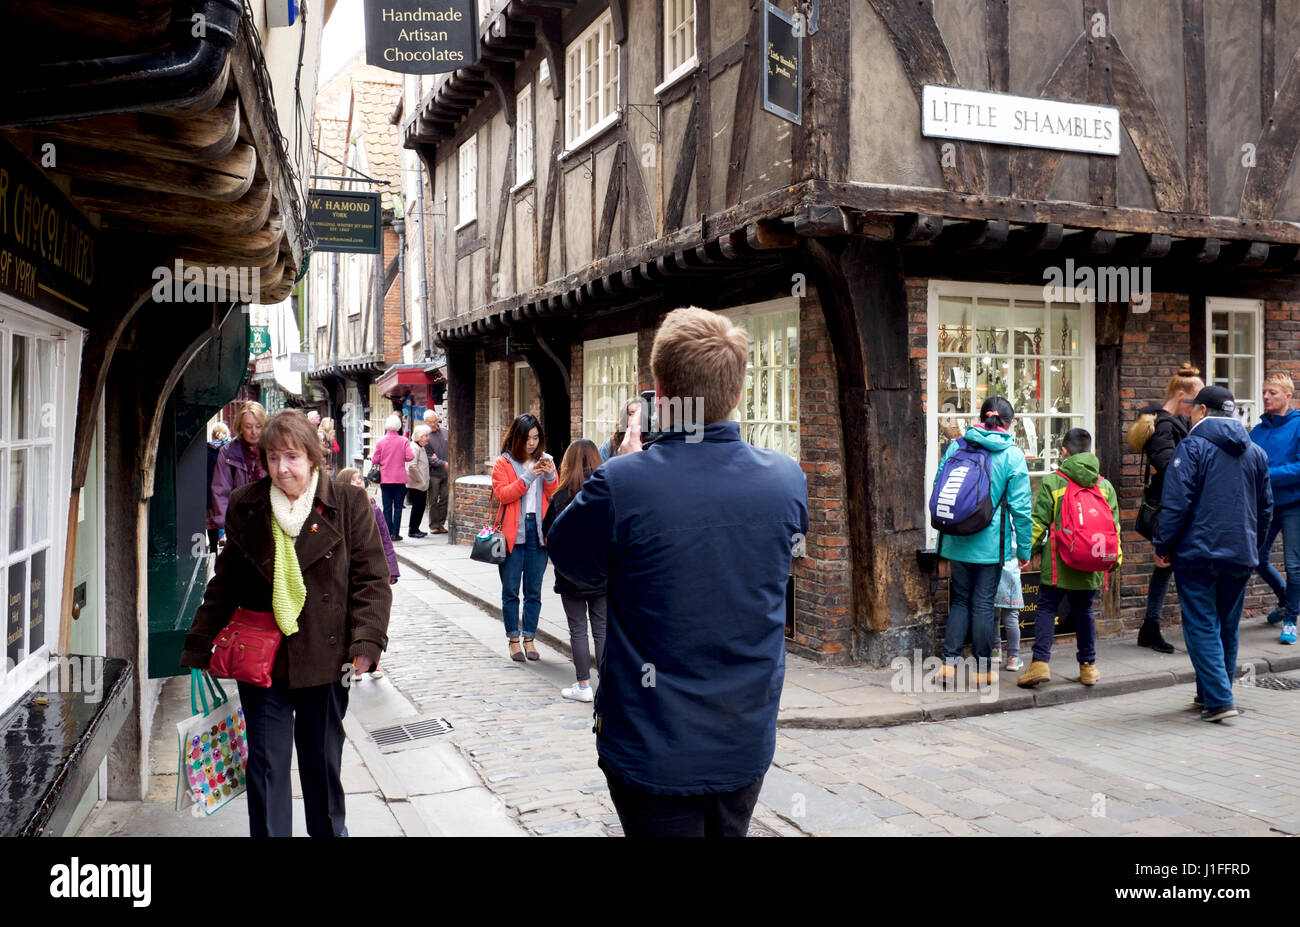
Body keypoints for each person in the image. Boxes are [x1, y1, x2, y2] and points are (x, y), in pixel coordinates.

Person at [548, 307, 808, 838]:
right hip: (743, 741)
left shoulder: (623, 483)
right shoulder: (786, 479)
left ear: (659, 393)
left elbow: (570, 558)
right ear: (736, 393)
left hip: (651, 747)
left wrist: (627, 463)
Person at [180, 412, 392, 836]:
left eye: (292, 457)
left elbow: (372, 578)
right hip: (264, 662)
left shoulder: (348, 504)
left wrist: (365, 642)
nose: (282, 468)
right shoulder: (247, 503)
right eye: (273, 458)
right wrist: (200, 642)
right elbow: (228, 580)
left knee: (321, 765)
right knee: (265, 767)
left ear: (312, 457)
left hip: (329, 661)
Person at [1156, 386, 1272, 722]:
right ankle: (1212, 691)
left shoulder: (1192, 447)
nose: (1189, 412)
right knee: (1226, 625)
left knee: (1202, 624)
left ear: (1203, 411)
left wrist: (1164, 544)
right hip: (1240, 553)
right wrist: (1255, 545)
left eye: (1193, 408)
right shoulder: (1256, 452)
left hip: (1198, 552)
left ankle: (1219, 700)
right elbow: (1266, 509)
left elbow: (1177, 504)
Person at [933, 396, 1033, 685]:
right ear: (1009, 422)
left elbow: (941, 485)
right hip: (990, 546)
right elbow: (1022, 510)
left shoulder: (957, 445)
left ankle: (949, 664)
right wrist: (1024, 549)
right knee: (983, 604)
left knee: (961, 601)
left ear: (981, 418)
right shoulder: (1012, 454)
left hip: (955, 539)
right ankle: (982, 669)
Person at [1016, 428, 1121, 689]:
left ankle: (1039, 664)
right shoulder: (1105, 485)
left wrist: (1024, 552)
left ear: (1064, 451)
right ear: (1089, 450)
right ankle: (1088, 667)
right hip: (1092, 560)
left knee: (1047, 607)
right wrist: (1114, 559)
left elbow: (1038, 523)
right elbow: (1114, 528)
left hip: (1058, 561)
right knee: (1084, 610)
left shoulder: (1054, 482)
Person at [1128, 362, 1203, 653]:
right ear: (1182, 395)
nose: (1197, 408)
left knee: (1166, 568)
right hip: (1168, 509)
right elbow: (1171, 469)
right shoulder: (1164, 426)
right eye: (1195, 401)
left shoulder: (1175, 424)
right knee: (1172, 566)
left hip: (1172, 507)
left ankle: (1150, 627)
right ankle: (1167, 628)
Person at [541, 439, 607, 702]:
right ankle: (608, 685)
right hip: (602, 573)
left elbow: (548, 534)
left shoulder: (561, 496)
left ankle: (583, 685)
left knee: (578, 630)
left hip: (570, 575)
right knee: (602, 631)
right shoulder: (606, 493)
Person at [491, 413, 558, 662]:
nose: (532, 443)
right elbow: (503, 495)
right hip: (512, 533)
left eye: (536, 437)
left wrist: (549, 474)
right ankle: (513, 640)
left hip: (538, 532)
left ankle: (530, 638)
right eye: (527, 438)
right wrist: (530, 475)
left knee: (534, 590)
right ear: (517, 437)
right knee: (510, 590)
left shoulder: (545, 459)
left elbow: (553, 495)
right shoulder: (503, 463)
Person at [1250, 372, 1300, 645]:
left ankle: (1291, 620)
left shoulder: (1298, 425)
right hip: (1265, 506)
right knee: (1256, 557)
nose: (1266, 397)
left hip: (1294, 504)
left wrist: (1266, 474)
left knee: (1294, 566)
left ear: (1288, 396)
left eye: (1273, 393)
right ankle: (1285, 601)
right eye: (1265, 392)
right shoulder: (1258, 430)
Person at [208, 400, 268, 542]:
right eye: (248, 426)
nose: (254, 432)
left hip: (268, 523)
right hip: (239, 524)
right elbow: (220, 491)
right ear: (240, 426)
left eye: (258, 426)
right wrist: (227, 526)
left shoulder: (272, 450)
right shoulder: (227, 452)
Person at [337, 467, 399, 587]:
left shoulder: (373, 509)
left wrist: (392, 571)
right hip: (344, 566)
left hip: (368, 564)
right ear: (343, 484)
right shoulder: (337, 509)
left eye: (360, 478)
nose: (359, 481)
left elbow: (385, 539)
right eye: (353, 480)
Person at [371, 413, 414, 541]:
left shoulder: (380, 441)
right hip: (400, 479)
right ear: (399, 426)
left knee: (387, 506)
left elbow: (374, 459)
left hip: (385, 478)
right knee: (399, 506)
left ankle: (387, 532)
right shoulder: (404, 441)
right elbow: (410, 457)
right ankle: (396, 533)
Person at [993, 558, 1024, 672]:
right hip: (1011, 573)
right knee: (1011, 618)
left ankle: (995, 650)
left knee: (993, 616)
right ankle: (1013, 658)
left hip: (993, 570)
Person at [423, 410, 450, 533]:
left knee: (445, 498)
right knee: (433, 500)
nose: (433, 424)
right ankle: (434, 525)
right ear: (425, 422)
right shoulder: (424, 436)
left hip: (446, 471)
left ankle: (441, 524)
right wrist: (442, 463)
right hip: (433, 472)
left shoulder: (445, 432)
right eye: (430, 422)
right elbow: (427, 457)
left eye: (434, 421)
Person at [206, 421, 231, 552]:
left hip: (210, 493)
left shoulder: (207, 450)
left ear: (213, 435)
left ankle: (213, 547)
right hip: (228, 493)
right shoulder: (231, 449)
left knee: (211, 522)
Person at [406, 425, 431, 539]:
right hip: (417, 484)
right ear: (420, 437)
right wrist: (421, 480)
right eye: (426, 435)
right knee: (418, 507)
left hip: (420, 483)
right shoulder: (415, 447)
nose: (428, 438)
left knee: (420, 507)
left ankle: (415, 528)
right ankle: (413, 530)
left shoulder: (419, 447)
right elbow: (412, 466)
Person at [599, 398, 643, 462]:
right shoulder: (611, 444)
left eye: (639, 414)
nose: (635, 418)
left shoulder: (653, 443)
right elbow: (599, 469)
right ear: (625, 417)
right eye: (631, 414)